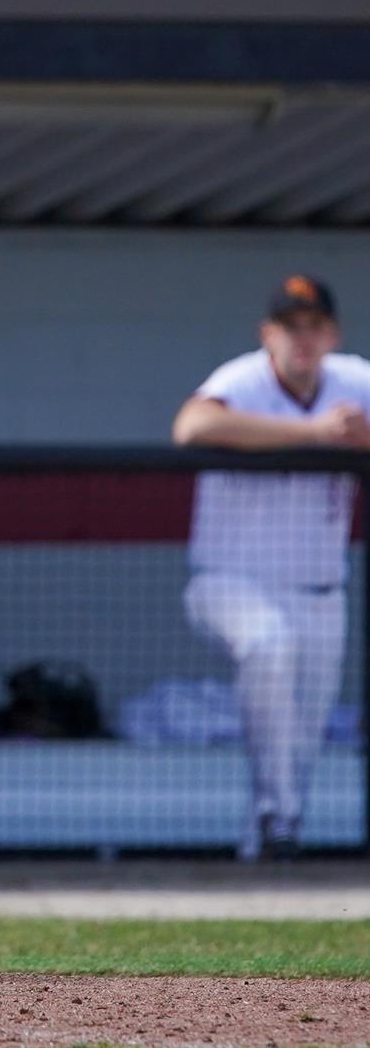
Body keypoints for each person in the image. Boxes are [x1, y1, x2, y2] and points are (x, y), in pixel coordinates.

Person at [173, 275, 370, 860]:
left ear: (331, 333)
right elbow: (192, 426)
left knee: (306, 734)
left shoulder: (355, 380)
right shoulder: (242, 379)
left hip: (319, 588)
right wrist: (312, 435)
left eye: (313, 327)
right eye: (290, 328)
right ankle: (271, 815)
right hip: (228, 580)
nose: (302, 340)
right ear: (268, 334)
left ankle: (270, 842)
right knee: (267, 644)